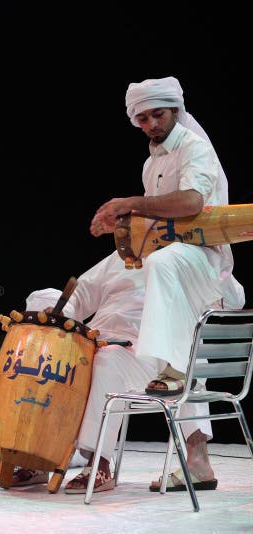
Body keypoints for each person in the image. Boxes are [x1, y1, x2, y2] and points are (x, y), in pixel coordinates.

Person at [0, 252, 224, 493]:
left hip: (154, 357)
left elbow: (230, 294)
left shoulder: (183, 257)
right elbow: (78, 298)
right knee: (56, 363)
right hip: (105, 344)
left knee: (106, 362)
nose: (122, 237)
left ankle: (100, 464)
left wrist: (206, 290)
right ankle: (39, 460)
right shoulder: (118, 259)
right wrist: (51, 325)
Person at [87, 76, 246, 491]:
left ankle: (169, 366)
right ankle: (198, 463)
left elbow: (192, 203)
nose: (152, 122)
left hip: (205, 263)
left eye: (158, 113)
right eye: (143, 117)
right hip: (177, 265)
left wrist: (130, 203)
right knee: (195, 365)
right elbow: (157, 223)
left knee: (162, 266)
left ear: (174, 110)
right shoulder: (151, 163)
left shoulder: (194, 146)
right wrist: (121, 223)